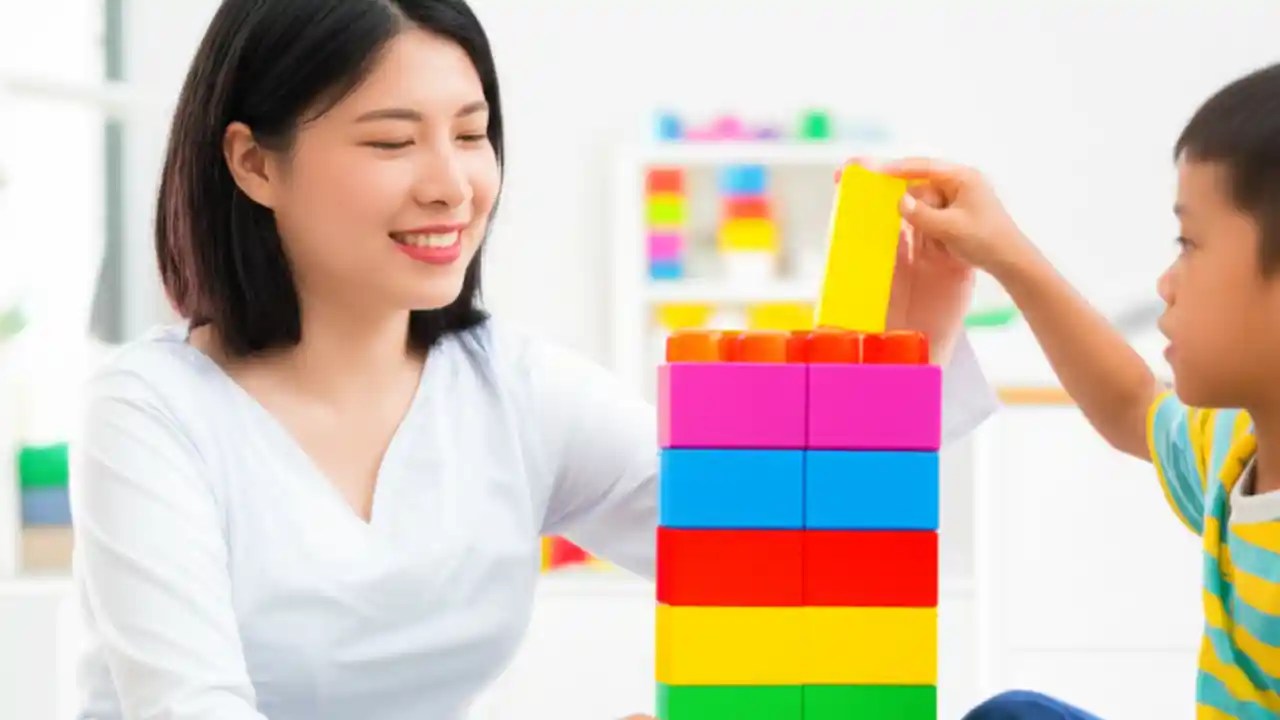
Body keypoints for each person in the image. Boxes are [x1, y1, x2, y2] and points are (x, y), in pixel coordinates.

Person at [69, 1, 997, 718]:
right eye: (392, 141)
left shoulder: (509, 390)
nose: (452, 185)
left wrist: (894, 359)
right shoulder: (150, 412)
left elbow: (774, 548)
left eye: (471, 134)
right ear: (254, 164)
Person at [874, 61, 1280, 719]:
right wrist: (1004, 255)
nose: (1166, 283)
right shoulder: (1236, 448)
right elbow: (1131, 404)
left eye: (1189, 244)